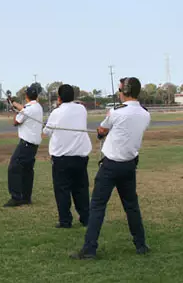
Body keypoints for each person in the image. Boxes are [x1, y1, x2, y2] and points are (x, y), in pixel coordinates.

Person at [70, 77, 151, 260]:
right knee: (131, 207)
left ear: (126, 92)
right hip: (129, 165)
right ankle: (141, 244)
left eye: (120, 90)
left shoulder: (116, 112)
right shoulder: (145, 114)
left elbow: (102, 130)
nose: (119, 93)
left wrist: (103, 132)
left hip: (111, 166)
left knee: (97, 206)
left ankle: (89, 249)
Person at [43, 84, 92, 228]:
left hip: (62, 158)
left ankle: (65, 220)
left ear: (59, 98)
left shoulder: (56, 113)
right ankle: (86, 218)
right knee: (81, 189)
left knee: (62, 190)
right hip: (80, 156)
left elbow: (47, 132)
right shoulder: (81, 109)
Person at [4, 85, 44, 207]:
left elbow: (16, 122)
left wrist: (15, 111)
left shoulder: (27, 110)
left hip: (25, 144)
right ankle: (26, 197)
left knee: (14, 168)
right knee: (27, 170)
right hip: (33, 145)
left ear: (26, 96)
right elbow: (25, 109)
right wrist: (14, 104)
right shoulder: (37, 107)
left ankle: (16, 197)